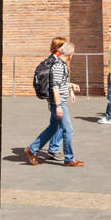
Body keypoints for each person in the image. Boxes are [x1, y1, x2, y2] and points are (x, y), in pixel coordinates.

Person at [24, 38, 84, 167]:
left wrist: (71, 86)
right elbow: (55, 87)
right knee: (68, 130)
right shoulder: (58, 66)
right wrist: (58, 106)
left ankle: (32, 149)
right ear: (70, 54)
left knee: (53, 128)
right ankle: (69, 159)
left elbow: (60, 83)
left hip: (57, 103)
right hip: (58, 103)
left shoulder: (61, 65)